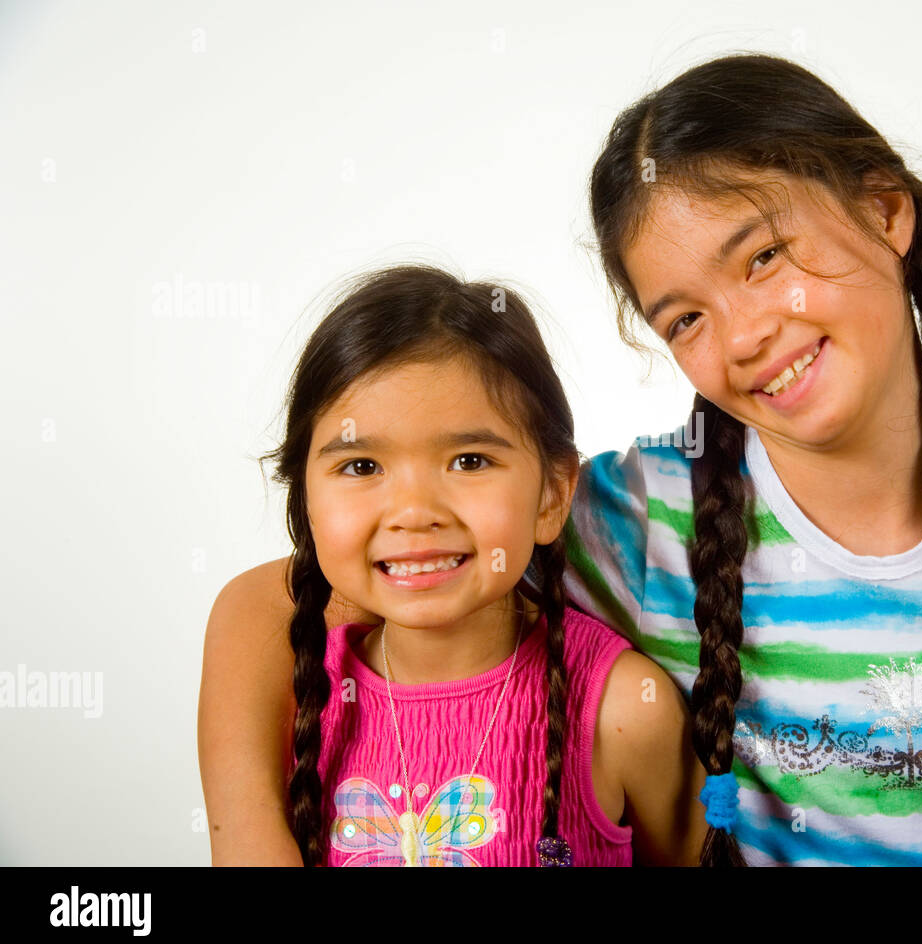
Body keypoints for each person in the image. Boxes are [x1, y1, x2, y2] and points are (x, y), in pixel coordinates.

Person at [201, 53, 922, 866]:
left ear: (885, 210)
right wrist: (252, 837)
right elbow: (270, 607)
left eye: (763, 257)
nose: (741, 336)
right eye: (684, 315)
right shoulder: (637, 519)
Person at [199, 264, 707, 866]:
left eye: (469, 461)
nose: (414, 513)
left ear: (551, 494)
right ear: (304, 497)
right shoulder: (301, 695)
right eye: (362, 467)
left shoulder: (623, 712)